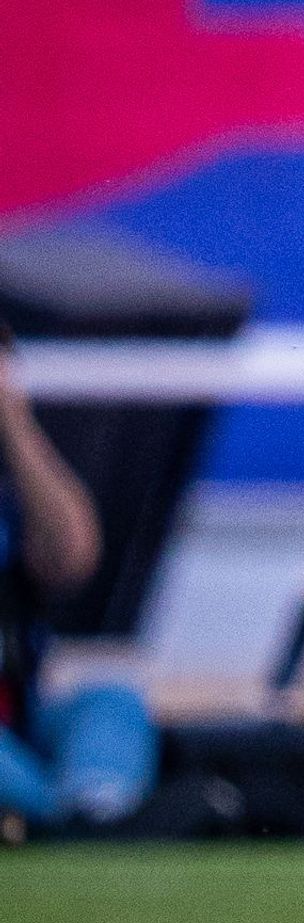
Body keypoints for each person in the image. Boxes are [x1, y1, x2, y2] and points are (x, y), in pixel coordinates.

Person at [0, 326, 153, 836]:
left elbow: (72, 558)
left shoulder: (13, 495)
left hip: (21, 724)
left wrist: (15, 423)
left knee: (112, 703)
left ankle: (88, 810)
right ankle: (67, 822)